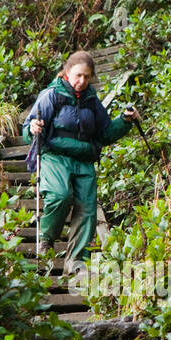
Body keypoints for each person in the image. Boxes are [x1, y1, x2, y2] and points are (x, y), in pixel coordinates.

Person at [22, 50, 140, 279]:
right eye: (78, 75)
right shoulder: (51, 95)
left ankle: (75, 263)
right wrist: (32, 128)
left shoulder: (92, 101)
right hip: (55, 156)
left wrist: (125, 121)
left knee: (87, 211)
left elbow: (104, 134)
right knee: (60, 195)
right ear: (67, 72)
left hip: (84, 159)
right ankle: (46, 237)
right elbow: (28, 129)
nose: (82, 81)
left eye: (87, 77)